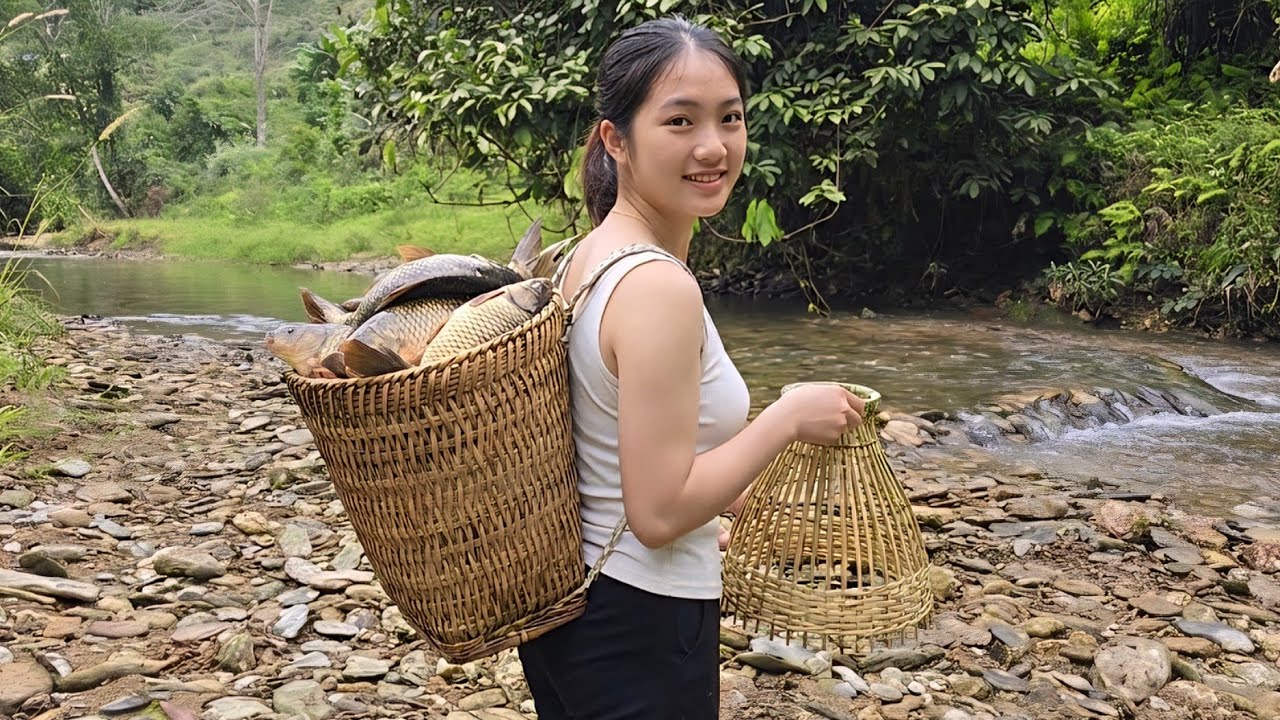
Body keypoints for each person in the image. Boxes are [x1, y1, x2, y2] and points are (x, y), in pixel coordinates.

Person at [522, 16, 867, 719]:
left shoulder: (590, 256)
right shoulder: (658, 287)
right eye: (680, 121)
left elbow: (613, 447)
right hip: (639, 624)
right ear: (615, 140)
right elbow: (656, 512)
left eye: (730, 118)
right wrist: (787, 417)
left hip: (573, 612)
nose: (712, 147)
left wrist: (734, 501)